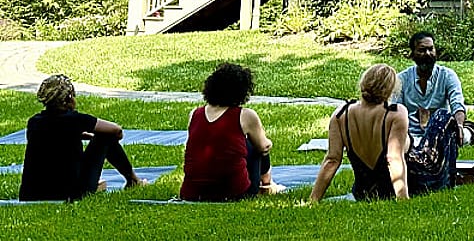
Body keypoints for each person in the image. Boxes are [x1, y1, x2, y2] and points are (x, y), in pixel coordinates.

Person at [18, 74, 148, 201]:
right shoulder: (75, 120)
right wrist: (102, 140)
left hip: (32, 193)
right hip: (70, 193)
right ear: (69, 99)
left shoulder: (34, 122)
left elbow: (53, 139)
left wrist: (81, 135)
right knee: (105, 136)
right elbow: (116, 130)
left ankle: (129, 181)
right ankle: (133, 180)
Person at [180, 63, 285, 201]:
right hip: (235, 193)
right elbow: (263, 146)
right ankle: (267, 185)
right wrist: (268, 141)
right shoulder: (245, 115)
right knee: (256, 146)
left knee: (241, 143)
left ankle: (266, 185)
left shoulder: (194, 114)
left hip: (191, 193)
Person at [310, 64, 410, 202]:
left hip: (362, 191)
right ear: (390, 90)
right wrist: (403, 199)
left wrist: (314, 199)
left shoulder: (341, 114)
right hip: (407, 183)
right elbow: (393, 158)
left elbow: (332, 160)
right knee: (441, 120)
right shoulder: (395, 113)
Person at [391, 31, 466, 193]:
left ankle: (445, 177)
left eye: (431, 49)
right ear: (412, 54)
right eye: (422, 50)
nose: (428, 54)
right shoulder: (402, 80)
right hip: (410, 138)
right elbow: (393, 110)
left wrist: (459, 125)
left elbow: (457, 105)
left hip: (438, 136)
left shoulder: (448, 76)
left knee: (448, 121)